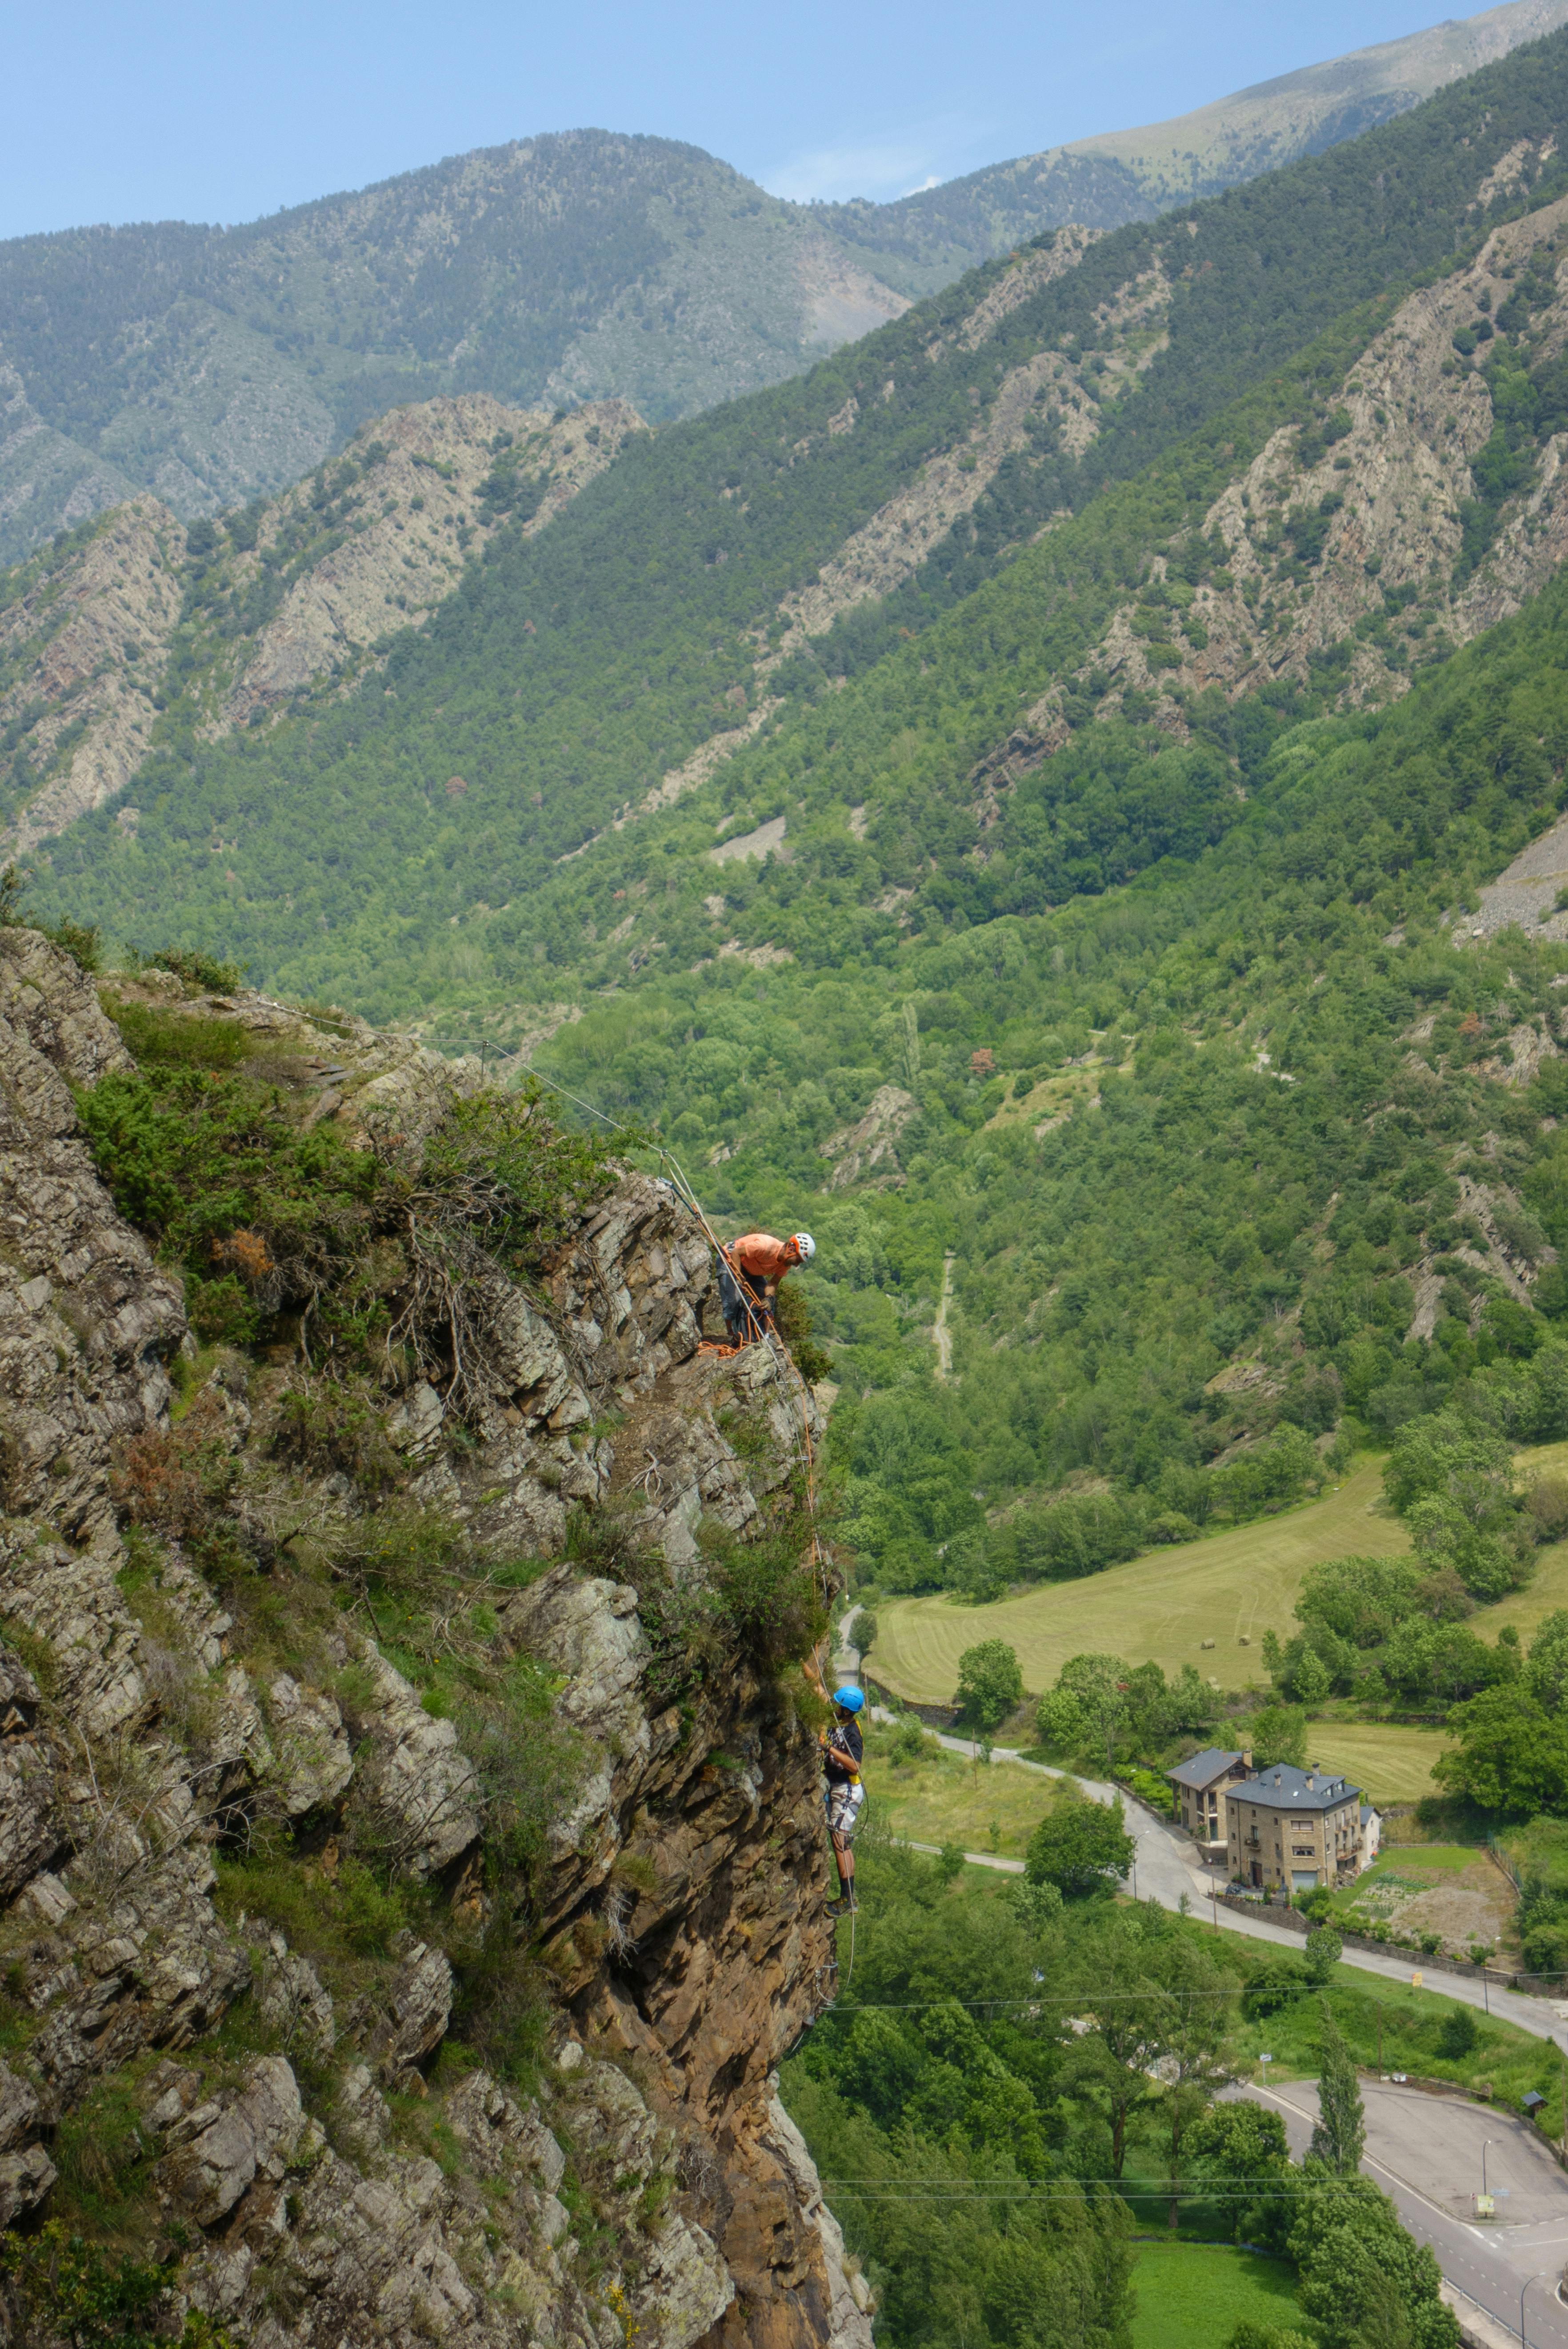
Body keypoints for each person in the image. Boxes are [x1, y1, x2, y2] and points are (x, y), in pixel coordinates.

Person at [718, 1229, 815, 1347]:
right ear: (791, 1250)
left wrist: (769, 1298)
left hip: (751, 1271)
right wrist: (738, 1280)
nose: (796, 1265)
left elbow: (773, 1284)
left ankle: (764, 1336)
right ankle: (731, 1334)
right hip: (730, 1261)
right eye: (798, 1260)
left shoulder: (785, 1263)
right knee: (734, 1300)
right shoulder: (765, 1246)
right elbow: (736, 1253)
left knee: (766, 1301)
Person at [822, 1684, 865, 1916]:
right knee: (841, 1841)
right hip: (838, 1786)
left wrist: (829, 1748)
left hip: (848, 1788)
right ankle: (848, 1898)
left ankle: (848, 1899)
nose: (835, 1706)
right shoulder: (838, 1717)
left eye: (839, 1704)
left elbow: (855, 1765)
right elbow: (821, 1691)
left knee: (839, 1842)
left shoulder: (852, 1732)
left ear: (846, 1711)